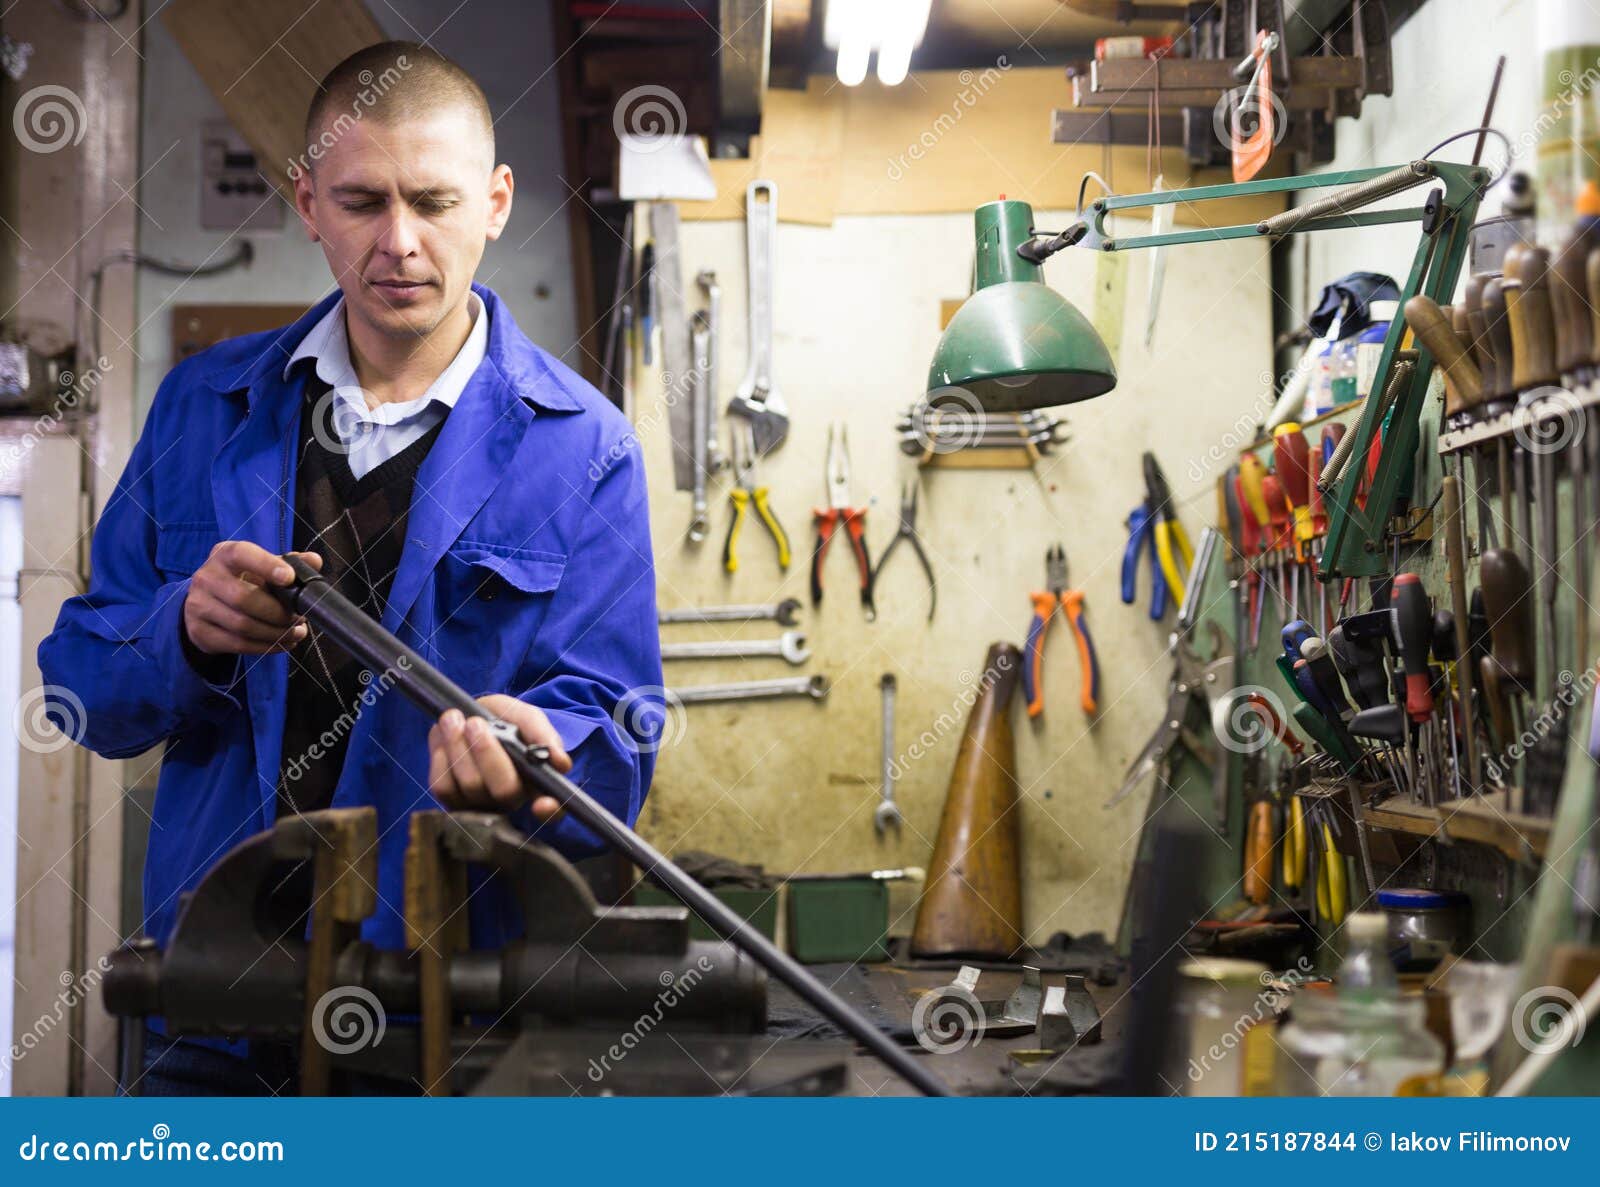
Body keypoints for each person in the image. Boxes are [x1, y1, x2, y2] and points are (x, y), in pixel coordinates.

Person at [37, 41, 663, 1094]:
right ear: (307, 202)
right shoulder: (204, 407)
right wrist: (182, 631)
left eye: (434, 199)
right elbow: (80, 684)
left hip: (456, 1014)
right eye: (363, 200)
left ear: (497, 201)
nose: (401, 242)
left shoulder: (583, 448)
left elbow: (621, 733)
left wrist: (536, 756)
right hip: (218, 998)